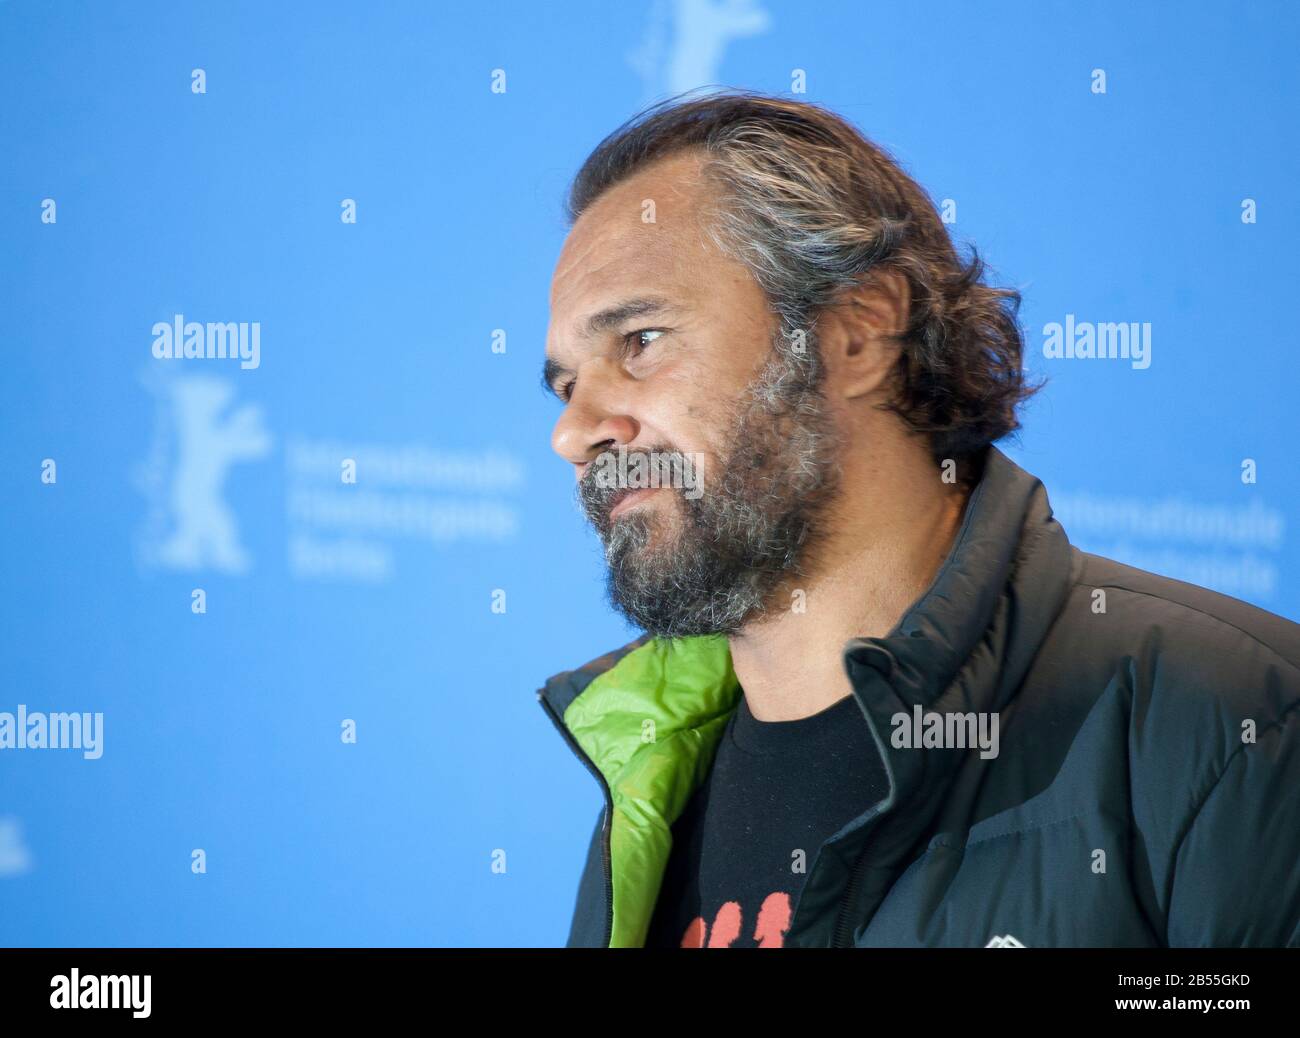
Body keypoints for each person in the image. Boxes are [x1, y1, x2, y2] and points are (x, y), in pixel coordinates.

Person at [536, 90, 1300, 948]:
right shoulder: (650, 786)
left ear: (858, 333)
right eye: (566, 384)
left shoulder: (1239, 726)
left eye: (640, 340)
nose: (572, 431)